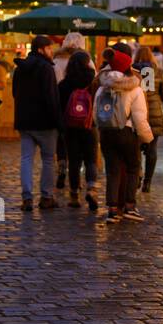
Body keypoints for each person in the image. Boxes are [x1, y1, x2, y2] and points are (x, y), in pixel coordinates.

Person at [95, 50, 152, 223]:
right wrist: (147, 138)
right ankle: (129, 206)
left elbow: (95, 113)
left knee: (112, 170)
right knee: (133, 167)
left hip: (106, 133)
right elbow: (139, 117)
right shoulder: (134, 88)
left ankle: (112, 210)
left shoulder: (102, 87)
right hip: (126, 132)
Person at [11, 34, 61, 212]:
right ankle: (46, 197)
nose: (51, 51)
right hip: (45, 122)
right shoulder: (46, 68)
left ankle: (27, 198)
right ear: (41, 49)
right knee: (48, 160)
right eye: (49, 48)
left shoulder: (20, 68)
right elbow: (51, 98)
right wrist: (57, 121)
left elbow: (15, 93)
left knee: (26, 159)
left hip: (24, 121)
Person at [57, 49, 99, 211]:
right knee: (91, 159)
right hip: (90, 125)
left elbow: (59, 106)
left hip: (70, 127)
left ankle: (74, 195)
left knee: (74, 161)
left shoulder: (64, 84)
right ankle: (91, 188)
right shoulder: (93, 83)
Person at [51, 32, 85, 191]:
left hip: (61, 103)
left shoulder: (56, 61)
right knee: (78, 141)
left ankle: (62, 165)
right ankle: (75, 172)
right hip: (80, 107)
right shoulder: (86, 62)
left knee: (61, 139)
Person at [133, 46, 163, 193]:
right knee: (152, 150)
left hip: (137, 112)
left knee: (135, 148)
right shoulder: (158, 71)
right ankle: (148, 182)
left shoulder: (133, 71)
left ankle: (138, 175)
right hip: (154, 113)